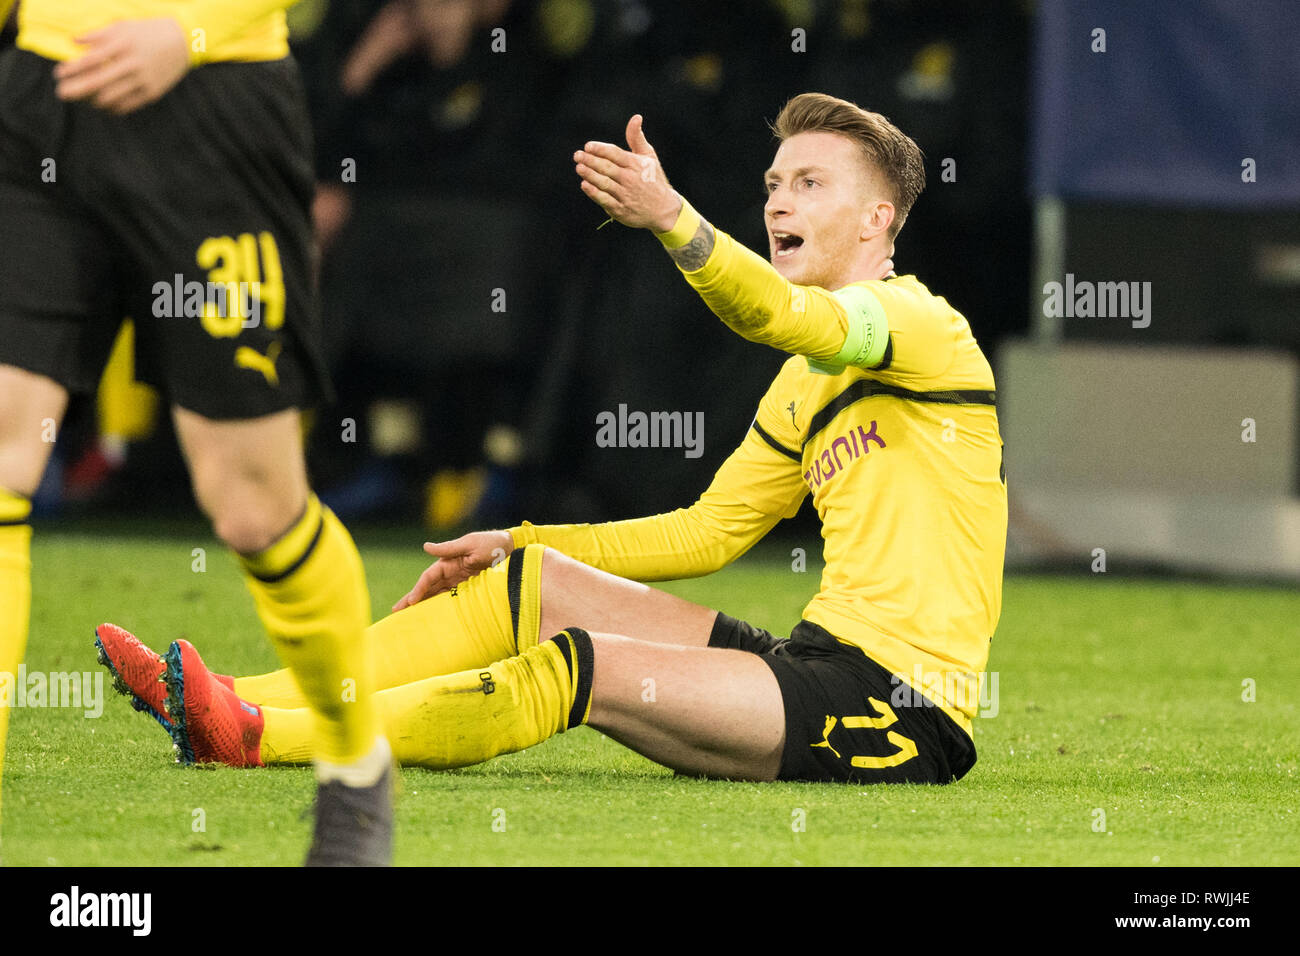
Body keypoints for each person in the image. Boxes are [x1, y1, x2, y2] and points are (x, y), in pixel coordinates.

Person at [98, 92, 1006, 785]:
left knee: (576, 669)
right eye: (773, 182)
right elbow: (706, 533)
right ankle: (230, 699)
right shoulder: (804, 381)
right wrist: (517, 539)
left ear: (877, 219)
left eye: (810, 183)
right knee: (527, 589)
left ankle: (260, 741)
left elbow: (781, 315)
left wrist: (673, 221)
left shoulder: (920, 326)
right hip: (812, 662)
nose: (778, 201)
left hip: (897, 707)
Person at [0, 0, 392, 865]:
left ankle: (355, 762)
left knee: (254, 504)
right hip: (44, 96)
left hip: (214, 105)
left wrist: (190, 31)